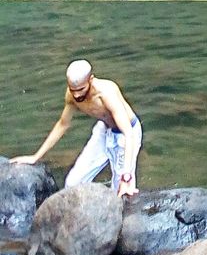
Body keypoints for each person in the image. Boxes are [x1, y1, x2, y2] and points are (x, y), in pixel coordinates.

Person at [12, 60, 142, 195]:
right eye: (73, 90)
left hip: (127, 133)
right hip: (104, 129)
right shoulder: (71, 95)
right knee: (73, 183)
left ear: (91, 79)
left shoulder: (106, 93)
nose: (76, 95)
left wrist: (126, 175)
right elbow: (63, 124)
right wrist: (35, 157)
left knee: (121, 190)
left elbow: (128, 133)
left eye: (81, 89)